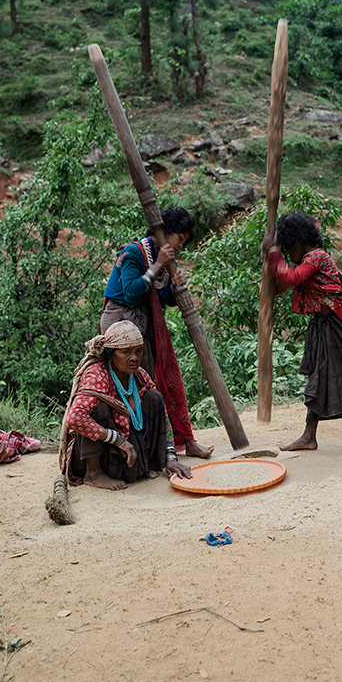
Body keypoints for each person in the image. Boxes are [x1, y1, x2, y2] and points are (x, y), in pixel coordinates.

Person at [261, 212, 342, 457]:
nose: (288, 255)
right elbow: (281, 285)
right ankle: (309, 437)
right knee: (317, 379)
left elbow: (290, 276)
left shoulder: (317, 257)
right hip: (323, 326)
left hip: (341, 326)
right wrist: (269, 262)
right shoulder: (306, 262)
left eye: (288, 249)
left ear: (299, 241)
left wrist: (273, 253)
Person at [100, 205, 213, 459]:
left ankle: (178, 442)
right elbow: (131, 292)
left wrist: (175, 286)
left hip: (145, 326)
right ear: (165, 232)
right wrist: (158, 265)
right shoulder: (133, 252)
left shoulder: (163, 259)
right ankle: (140, 448)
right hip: (122, 327)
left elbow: (164, 299)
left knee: (156, 383)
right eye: (179, 238)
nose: (180, 245)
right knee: (132, 386)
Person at [59, 320, 192, 491]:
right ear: (110, 354)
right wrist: (118, 440)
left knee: (154, 398)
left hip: (127, 449)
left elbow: (163, 417)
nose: (135, 358)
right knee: (98, 407)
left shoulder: (139, 375)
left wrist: (171, 457)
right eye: (126, 352)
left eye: (138, 351)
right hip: (102, 450)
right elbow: (75, 418)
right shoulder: (97, 374)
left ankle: (146, 465)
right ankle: (94, 473)